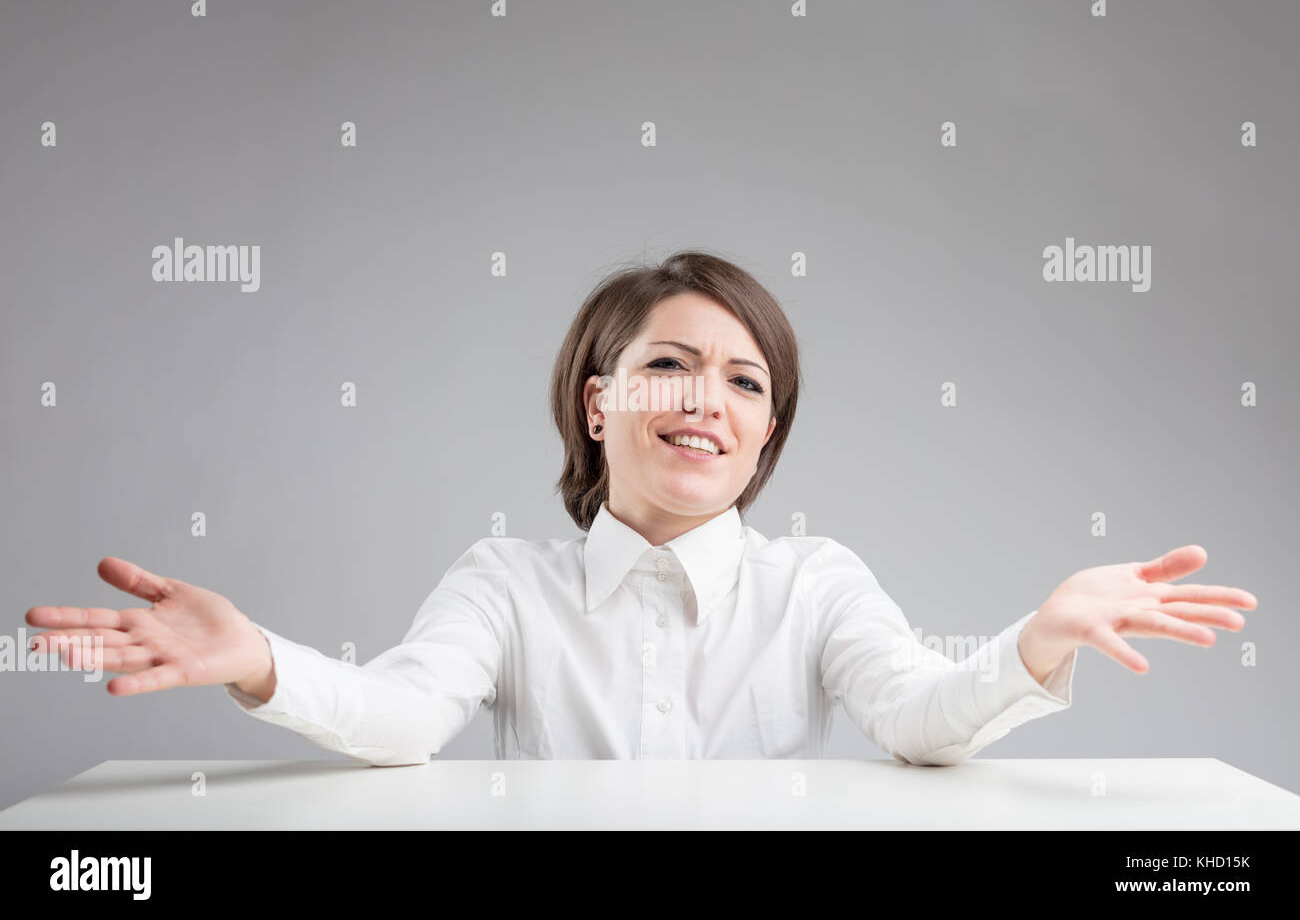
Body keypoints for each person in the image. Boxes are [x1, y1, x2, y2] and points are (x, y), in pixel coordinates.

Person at [25, 251, 1257, 765]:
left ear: (765, 433)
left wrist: (1039, 637)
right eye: (670, 363)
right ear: (599, 397)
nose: (705, 399)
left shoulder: (814, 582)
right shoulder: (506, 583)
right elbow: (402, 714)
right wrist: (258, 661)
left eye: (746, 380)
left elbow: (921, 718)